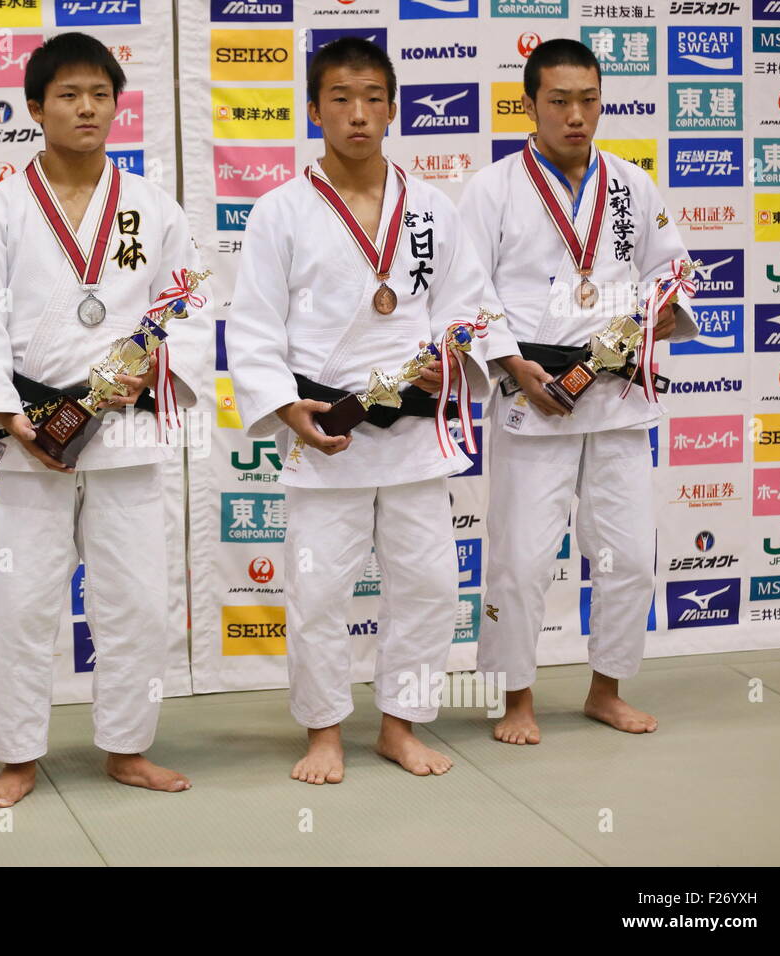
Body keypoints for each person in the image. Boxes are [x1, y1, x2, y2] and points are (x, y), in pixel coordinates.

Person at [228, 36, 521, 781]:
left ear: (394, 108)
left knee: (428, 586)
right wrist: (284, 406)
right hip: (329, 429)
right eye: (340, 99)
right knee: (320, 589)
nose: (358, 115)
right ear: (316, 108)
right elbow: (255, 326)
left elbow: (466, 307)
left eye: (372, 99)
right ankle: (324, 732)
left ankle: (401, 723)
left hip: (416, 432)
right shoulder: (280, 211)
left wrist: (453, 356)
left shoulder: (430, 207)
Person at [0, 33, 211, 808]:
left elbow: (190, 303)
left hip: (126, 430)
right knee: (24, 601)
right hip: (33, 434)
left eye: (100, 93)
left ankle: (128, 746)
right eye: (68, 94)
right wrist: (4, 410)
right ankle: (16, 754)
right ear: (35, 108)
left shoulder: (151, 207)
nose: (87, 107)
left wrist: (149, 372)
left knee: (133, 599)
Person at [458, 38, 697, 745]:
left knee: (627, 555)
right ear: (528, 103)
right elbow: (466, 291)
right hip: (533, 395)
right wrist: (508, 362)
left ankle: (606, 689)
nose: (576, 115)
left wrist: (643, 322)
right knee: (523, 558)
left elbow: (674, 272)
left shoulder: (631, 184)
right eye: (559, 101)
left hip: (616, 397)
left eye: (588, 100)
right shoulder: (492, 189)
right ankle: (518, 697)